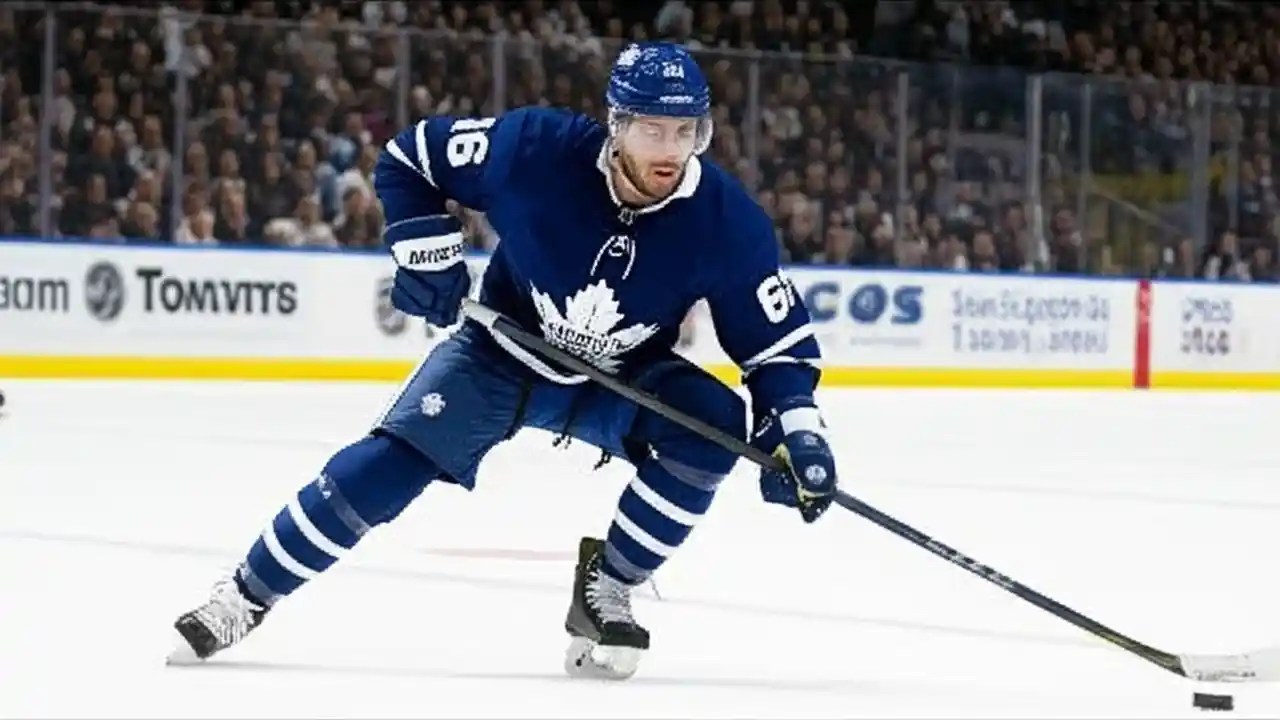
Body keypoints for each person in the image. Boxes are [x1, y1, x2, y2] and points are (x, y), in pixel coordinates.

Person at [167, 41, 840, 680]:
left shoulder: (726, 220)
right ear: (616, 125)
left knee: (713, 426)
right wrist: (427, 249)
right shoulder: (535, 150)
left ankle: (610, 584)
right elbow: (411, 158)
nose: (669, 150)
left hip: (620, 379)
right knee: (383, 468)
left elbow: (773, 342)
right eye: (651, 130)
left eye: (685, 131)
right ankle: (247, 594)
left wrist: (797, 427)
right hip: (500, 354)